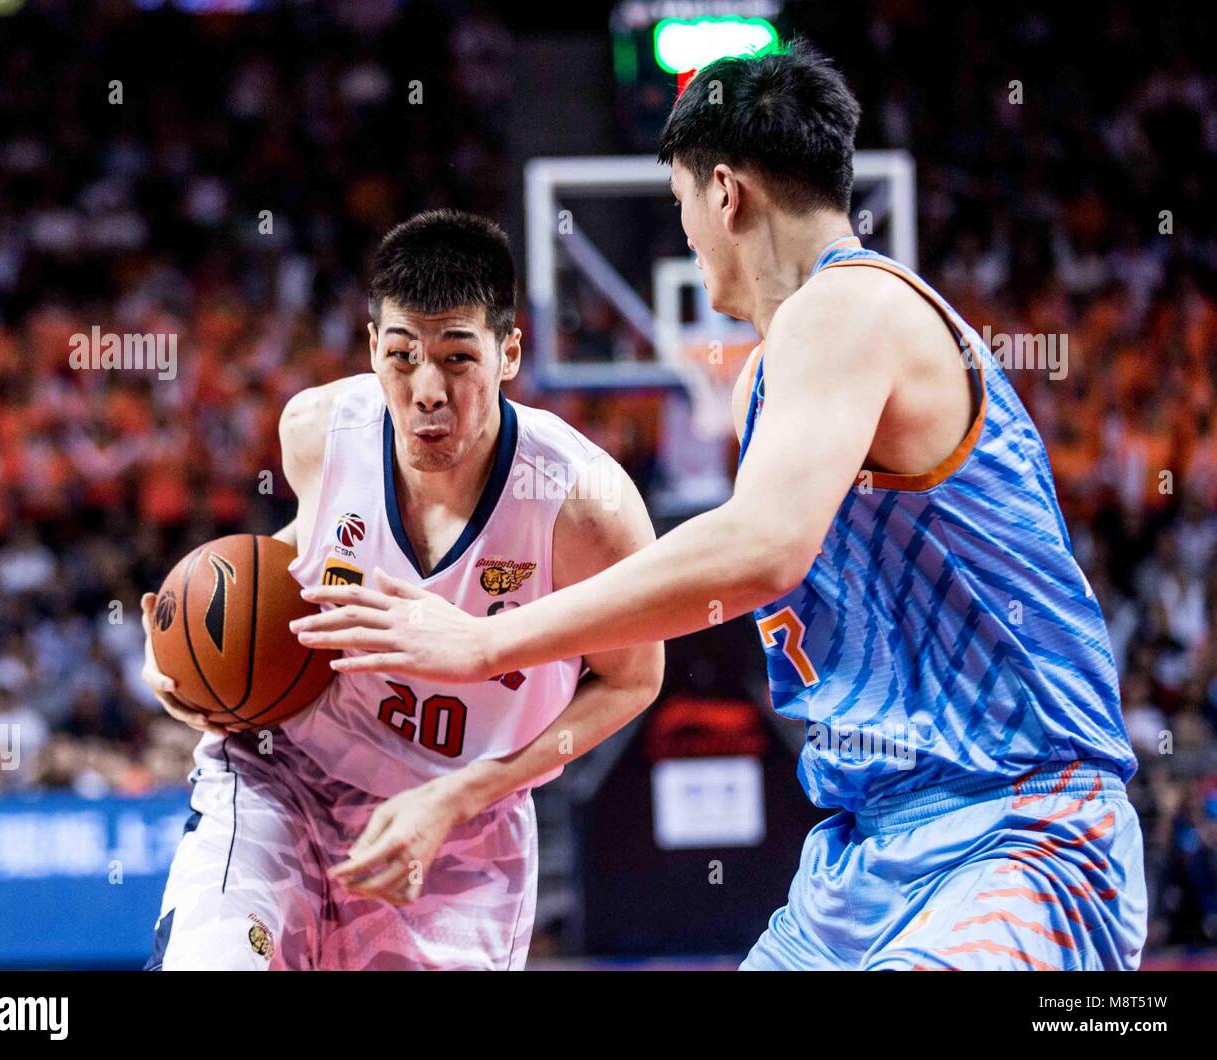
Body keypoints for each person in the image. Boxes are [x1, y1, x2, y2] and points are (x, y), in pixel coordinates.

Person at [295, 45, 1148, 971]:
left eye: (682, 204)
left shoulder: (846, 307)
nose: (689, 234)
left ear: (727, 194)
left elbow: (760, 549)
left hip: (1018, 827)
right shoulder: (779, 373)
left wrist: (489, 642)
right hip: (870, 850)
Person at [140, 210, 662, 970]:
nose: (426, 390)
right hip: (288, 770)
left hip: (464, 821)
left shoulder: (584, 508)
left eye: (457, 358)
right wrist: (191, 647)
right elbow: (302, 555)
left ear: (509, 352)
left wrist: (467, 794)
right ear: (371, 350)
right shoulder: (318, 430)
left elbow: (634, 680)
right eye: (401, 355)